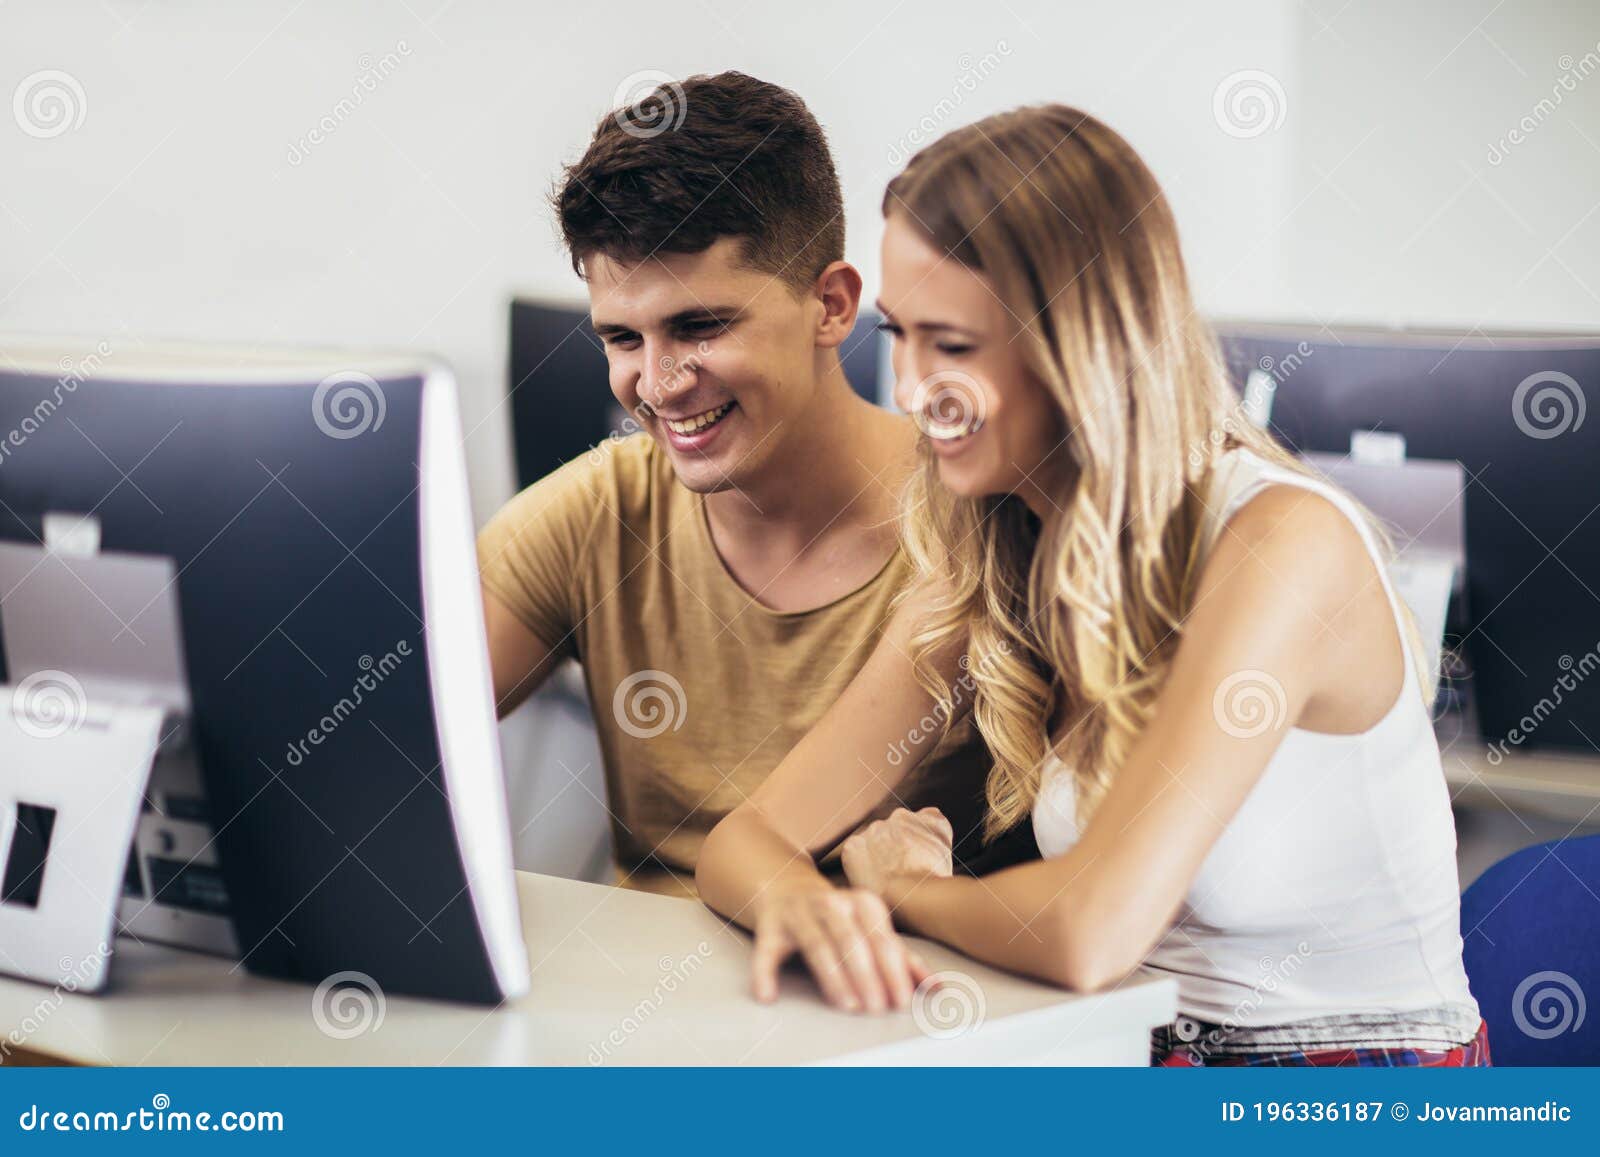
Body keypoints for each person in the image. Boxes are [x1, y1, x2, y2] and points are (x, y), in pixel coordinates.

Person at [697, 104, 1489, 1066]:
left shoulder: (1282, 541)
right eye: (898, 335)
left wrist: (901, 887)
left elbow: (1090, 932)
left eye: (950, 345)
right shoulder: (1006, 541)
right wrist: (808, 904)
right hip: (1131, 1053)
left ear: (1077, 341)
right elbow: (747, 837)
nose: (908, 389)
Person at [477, 72, 1001, 901]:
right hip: (633, 1009)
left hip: (884, 1006)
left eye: (699, 325)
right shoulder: (596, 512)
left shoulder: (978, 529)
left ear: (830, 305)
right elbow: (378, 736)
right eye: (621, 337)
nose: (657, 382)